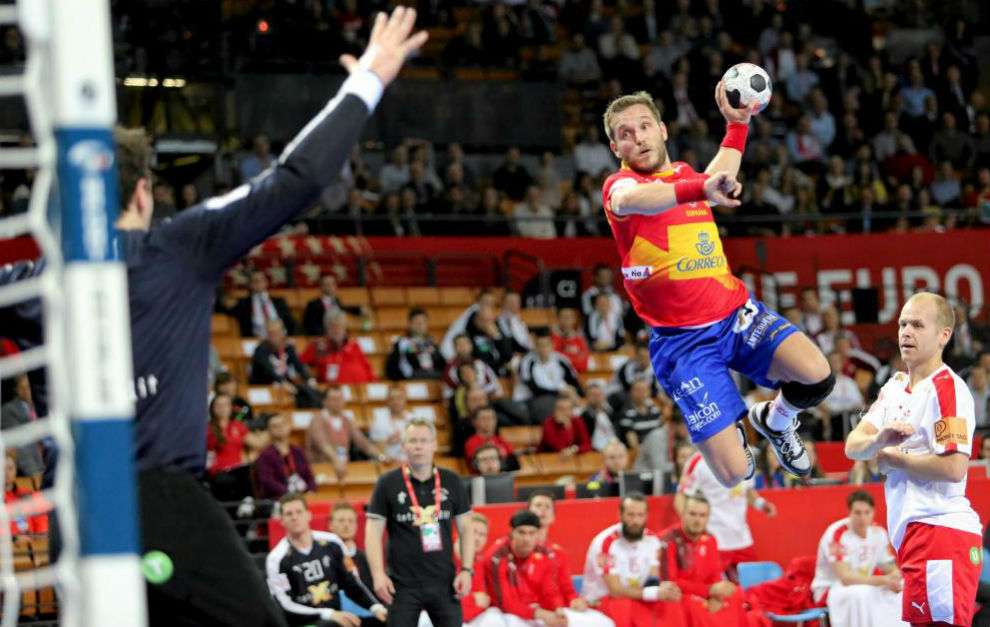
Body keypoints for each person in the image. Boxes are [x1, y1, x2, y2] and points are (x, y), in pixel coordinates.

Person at [12, 9, 428, 625]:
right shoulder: (179, 246)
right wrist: (368, 79)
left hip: (73, 518)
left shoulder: (35, 284)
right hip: (157, 500)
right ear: (143, 193)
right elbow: (299, 176)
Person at [599, 89, 833, 487]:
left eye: (644, 127)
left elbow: (716, 176)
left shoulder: (687, 176)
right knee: (735, 474)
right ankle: (734, 433)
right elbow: (640, 198)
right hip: (683, 345)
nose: (637, 138)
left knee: (817, 376)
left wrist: (738, 126)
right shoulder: (619, 188)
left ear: (662, 130)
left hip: (735, 317)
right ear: (615, 147)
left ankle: (775, 421)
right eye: (625, 134)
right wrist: (701, 189)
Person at [845, 292, 984, 627]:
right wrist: (878, 441)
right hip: (915, 534)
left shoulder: (948, 389)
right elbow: (853, 447)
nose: (906, 332)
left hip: (939, 530)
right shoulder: (894, 387)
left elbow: (954, 467)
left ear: (944, 335)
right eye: (903, 324)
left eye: (918, 325)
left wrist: (894, 459)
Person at [365, 418, 474, 627]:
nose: (418, 446)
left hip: (445, 582)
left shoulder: (452, 480)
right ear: (403, 446)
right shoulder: (387, 483)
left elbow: (467, 529)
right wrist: (378, 574)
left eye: (424, 441)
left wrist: (467, 570)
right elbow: (372, 532)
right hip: (401, 585)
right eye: (412, 441)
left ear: (434, 445)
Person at [267, 494, 388, 627]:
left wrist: (375, 607)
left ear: (308, 515)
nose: (294, 517)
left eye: (299, 512)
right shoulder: (276, 559)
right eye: (289, 514)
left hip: (337, 618)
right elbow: (285, 605)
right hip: (306, 622)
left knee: (386, 619)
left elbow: (352, 584)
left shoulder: (333, 543)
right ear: (281, 520)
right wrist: (327, 614)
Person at [582, 493, 687, 627]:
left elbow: (652, 580)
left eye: (640, 515)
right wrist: (653, 592)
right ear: (620, 515)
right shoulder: (605, 542)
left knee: (672, 604)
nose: (635, 521)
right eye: (630, 515)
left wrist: (664, 590)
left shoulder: (652, 541)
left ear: (646, 516)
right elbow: (615, 590)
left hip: (635, 598)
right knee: (623, 606)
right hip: (600, 600)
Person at [674, 449, 777, 583]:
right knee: (714, 589)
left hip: (742, 539)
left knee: (752, 588)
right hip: (714, 540)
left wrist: (760, 503)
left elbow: (747, 491)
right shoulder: (698, 461)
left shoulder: (746, 454)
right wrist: (693, 530)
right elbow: (681, 498)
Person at [659, 494, 760, 627]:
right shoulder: (668, 540)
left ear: (708, 518)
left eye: (702, 515)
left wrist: (716, 596)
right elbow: (670, 583)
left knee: (736, 596)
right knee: (696, 608)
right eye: (692, 514)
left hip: (706, 594)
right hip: (682, 597)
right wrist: (709, 590)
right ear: (683, 514)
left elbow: (715, 576)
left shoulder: (710, 539)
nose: (697, 520)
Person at [810, 491, 907, 627]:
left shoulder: (878, 532)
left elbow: (889, 565)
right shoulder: (836, 534)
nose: (863, 518)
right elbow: (845, 578)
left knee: (903, 589)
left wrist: (895, 577)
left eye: (867, 512)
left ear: (873, 512)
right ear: (849, 512)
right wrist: (884, 580)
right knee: (862, 594)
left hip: (865, 584)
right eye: (857, 513)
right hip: (832, 587)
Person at [481, 510, 592, 627]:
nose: (526, 538)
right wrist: (540, 614)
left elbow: (549, 590)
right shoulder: (496, 557)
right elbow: (504, 602)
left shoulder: (545, 553)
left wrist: (557, 609)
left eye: (531, 533)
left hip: (532, 609)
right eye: (521, 532)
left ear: (538, 534)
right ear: (511, 533)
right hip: (502, 612)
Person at [526, 490, 616, 627]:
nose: (542, 510)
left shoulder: (558, 553)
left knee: (605, 623)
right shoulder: (516, 549)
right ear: (528, 512)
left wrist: (575, 600)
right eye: (538, 505)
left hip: (558, 611)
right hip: (529, 611)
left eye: (547, 507)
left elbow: (568, 590)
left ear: (553, 517)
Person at [307, 386, 386, 477]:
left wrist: (381, 456)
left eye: (340, 398)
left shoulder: (347, 420)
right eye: (333, 399)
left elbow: (362, 442)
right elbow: (322, 443)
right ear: (324, 402)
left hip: (344, 465)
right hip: (322, 467)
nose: (337, 402)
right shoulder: (317, 420)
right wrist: (335, 460)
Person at [514, 329, 583, 423]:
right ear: (535, 346)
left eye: (546, 345)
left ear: (552, 345)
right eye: (540, 345)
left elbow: (574, 382)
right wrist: (559, 392)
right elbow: (534, 389)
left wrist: (572, 392)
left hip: (556, 398)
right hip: (531, 400)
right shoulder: (527, 362)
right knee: (560, 408)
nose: (543, 349)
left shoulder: (561, 360)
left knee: (572, 400)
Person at [301, 310, 377, 384]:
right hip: (334, 389)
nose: (337, 329)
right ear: (326, 328)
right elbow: (300, 363)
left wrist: (374, 385)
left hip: (361, 388)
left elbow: (367, 367)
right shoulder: (319, 346)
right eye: (333, 326)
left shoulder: (354, 345)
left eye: (340, 325)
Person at [254, 413, 316, 499]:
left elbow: (309, 475)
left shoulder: (298, 451)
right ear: (269, 431)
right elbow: (268, 482)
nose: (280, 428)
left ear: (288, 426)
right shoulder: (265, 456)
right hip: (277, 499)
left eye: (283, 424)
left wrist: (311, 490)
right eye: (275, 426)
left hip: (301, 496)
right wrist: (291, 494)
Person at [222, 268, 298, 338]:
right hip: (256, 340)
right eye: (255, 281)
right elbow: (223, 308)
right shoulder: (244, 304)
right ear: (250, 284)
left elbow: (291, 322)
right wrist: (224, 299)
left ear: (266, 282)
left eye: (261, 280)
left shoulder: (279, 301)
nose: (259, 283)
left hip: (280, 338)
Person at [0, 374, 45, 476]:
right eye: (22, 387)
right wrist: (35, 474)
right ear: (16, 390)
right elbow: (19, 446)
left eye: (28, 386)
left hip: (48, 465)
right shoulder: (8, 411)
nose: (26, 391)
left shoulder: (38, 407)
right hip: (31, 472)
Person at [250, 319, 313, 389]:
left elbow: (298, 365)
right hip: (265, 386)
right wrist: (283, 382)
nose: (274, 337)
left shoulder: (288, 348)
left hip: (284, 384)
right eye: (271, 333)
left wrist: (309, 379)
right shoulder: (260, 350)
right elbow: (270, 371)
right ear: (266, 335)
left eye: (277, 333)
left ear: (283, 333)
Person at [328, 502, 377, 594]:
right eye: (341, 520)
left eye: (351, 521)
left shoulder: (367, 559)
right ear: (330, 525)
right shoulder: (325, 559)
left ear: (356, 525)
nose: (346, 524)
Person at [386, 308, 446, 381]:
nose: (420, 325)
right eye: (417, 322)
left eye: (423, 322)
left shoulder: (431, 343)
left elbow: (442, 364)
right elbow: (392, 368)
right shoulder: (402, 343)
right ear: (410, 323)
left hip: (434, 379)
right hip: (412, 380)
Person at [303, 274, 372, 336]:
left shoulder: (336, 300)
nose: (331, 287)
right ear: (321, 286)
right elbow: (310, 326)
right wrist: (328, 333)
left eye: (333, 284)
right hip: (324, 336)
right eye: (328, 284)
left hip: (339, 335)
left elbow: (343, 309)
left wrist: (359, 309)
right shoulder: (313, 304)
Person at [369, 386, 423, 463]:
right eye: (392, 399)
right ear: (387, 401)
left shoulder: (415, 419)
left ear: (405, 399)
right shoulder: (379, 422)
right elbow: (379, 451)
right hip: (391, 464)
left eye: (399, 398)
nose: (395, 402)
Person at [552, 307, 590, 373]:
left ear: (574, 319)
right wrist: (574, 359)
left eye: (569, 317)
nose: (566, 320)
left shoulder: (580, 339)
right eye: (563, 317)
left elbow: (583, 364)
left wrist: (566, 360)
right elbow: (554, 361)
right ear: (558, 319)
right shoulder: (552, 338)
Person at [582, 384, 618, 451]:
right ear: (587, 397)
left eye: (599, 394)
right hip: (595, 449)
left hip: (614, 446)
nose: (597, 397)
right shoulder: (583, 417)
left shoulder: (611, 413)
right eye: (593, 395)